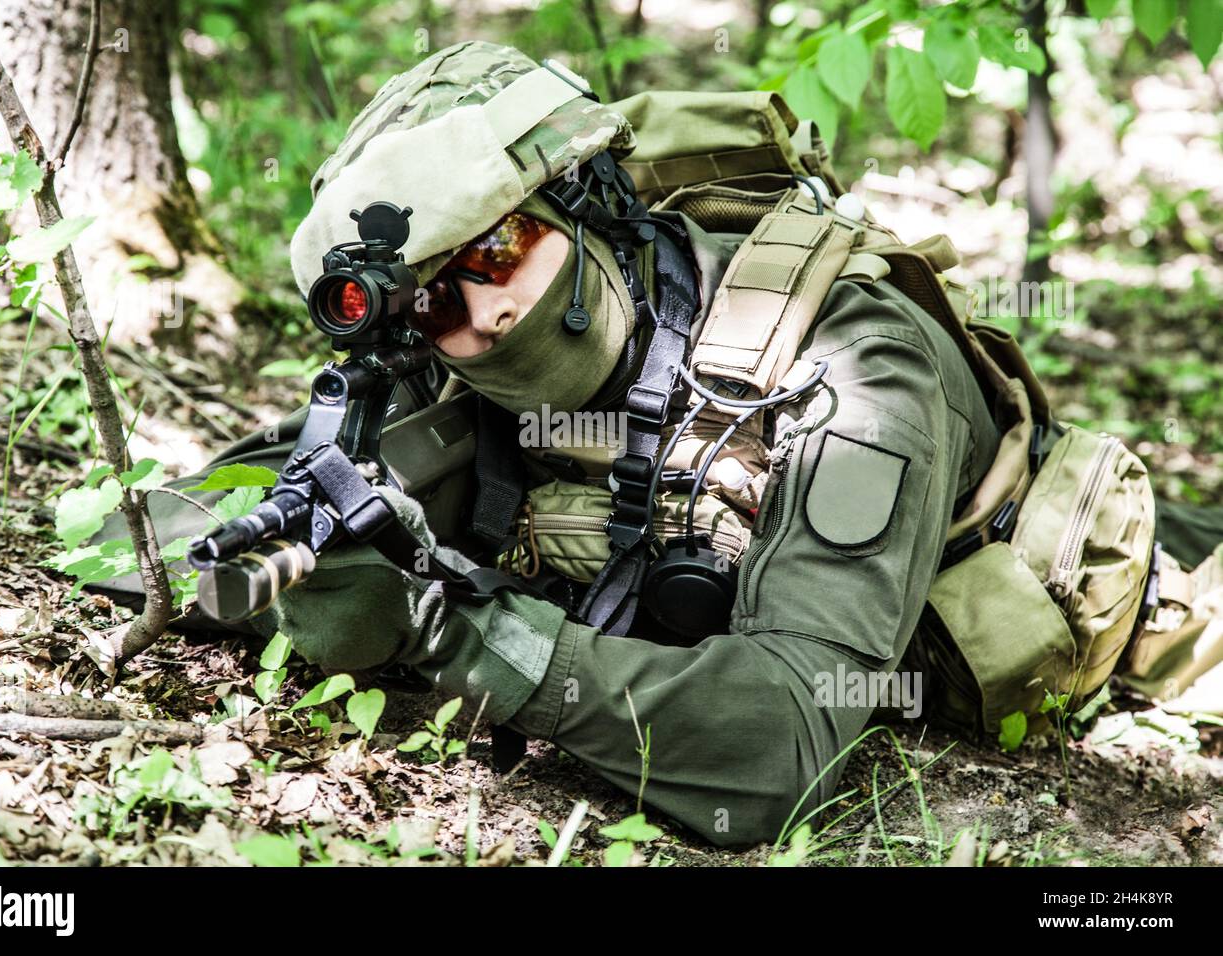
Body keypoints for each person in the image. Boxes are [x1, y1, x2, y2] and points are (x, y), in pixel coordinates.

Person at [101, 41, 1223, 848]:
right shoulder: (449, 367)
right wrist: (279, 573)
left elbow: (784, 746)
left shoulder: (850, 354)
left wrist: (449, 632)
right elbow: (156, 532)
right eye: (432, 298)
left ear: (586, 204)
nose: (481, 315)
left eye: (497, 251)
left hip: (1146, 608)